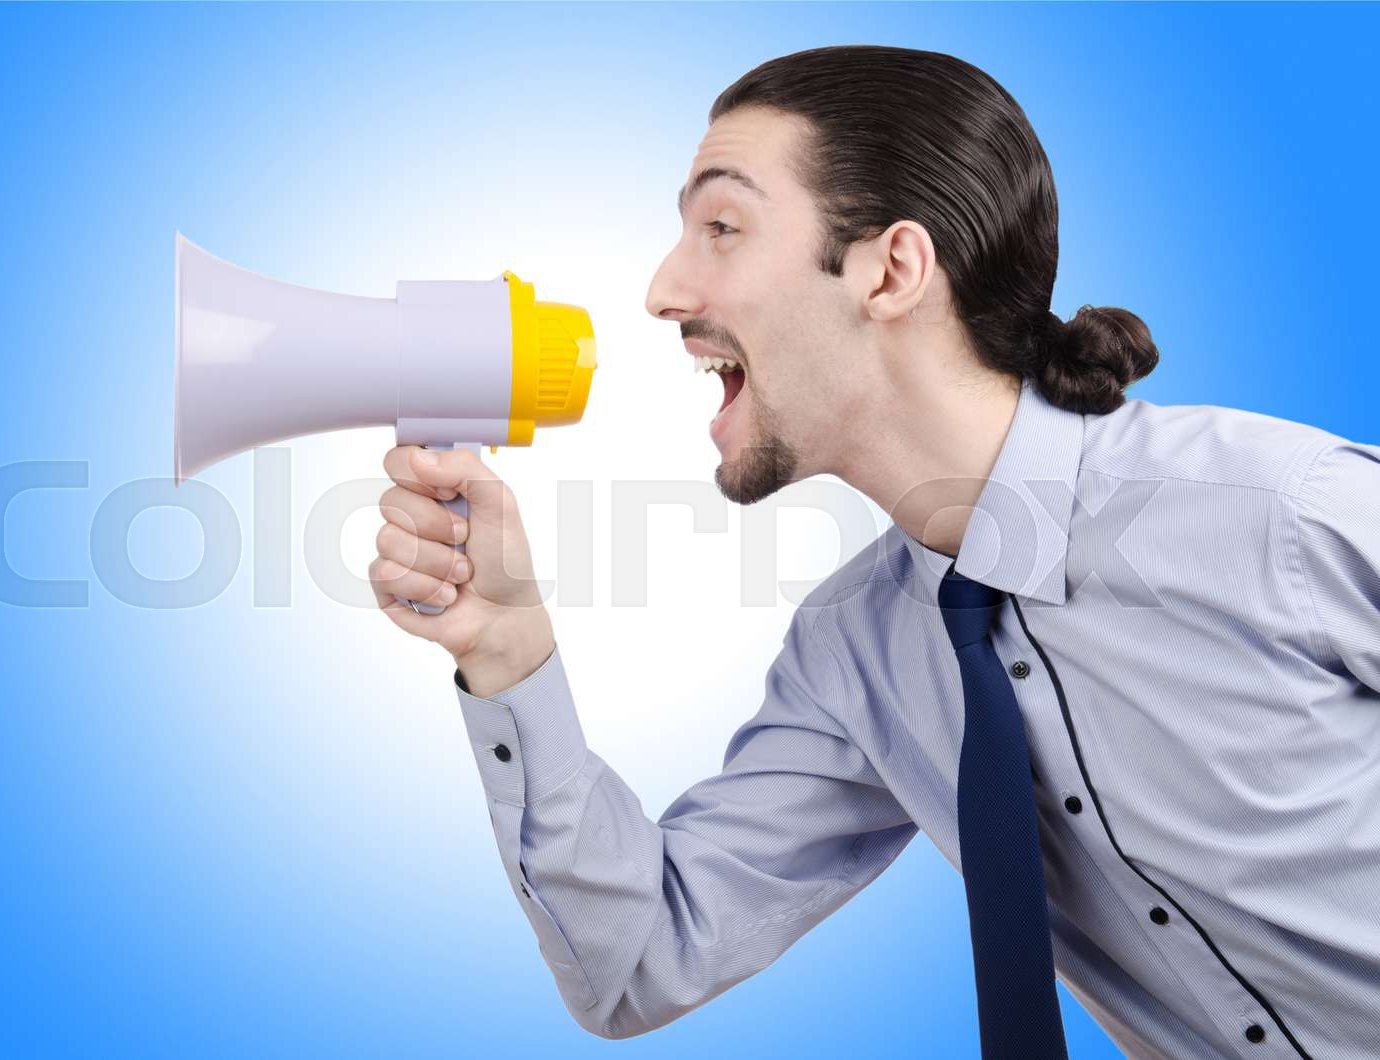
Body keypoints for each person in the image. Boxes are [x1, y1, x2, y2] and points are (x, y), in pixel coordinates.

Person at [366, 45, 1379, 1057]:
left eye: (721, 227)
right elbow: (641, 959)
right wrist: (509, 648)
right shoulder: (858, 654)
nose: (663, 291)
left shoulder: (1283, 512)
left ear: (891, 269)